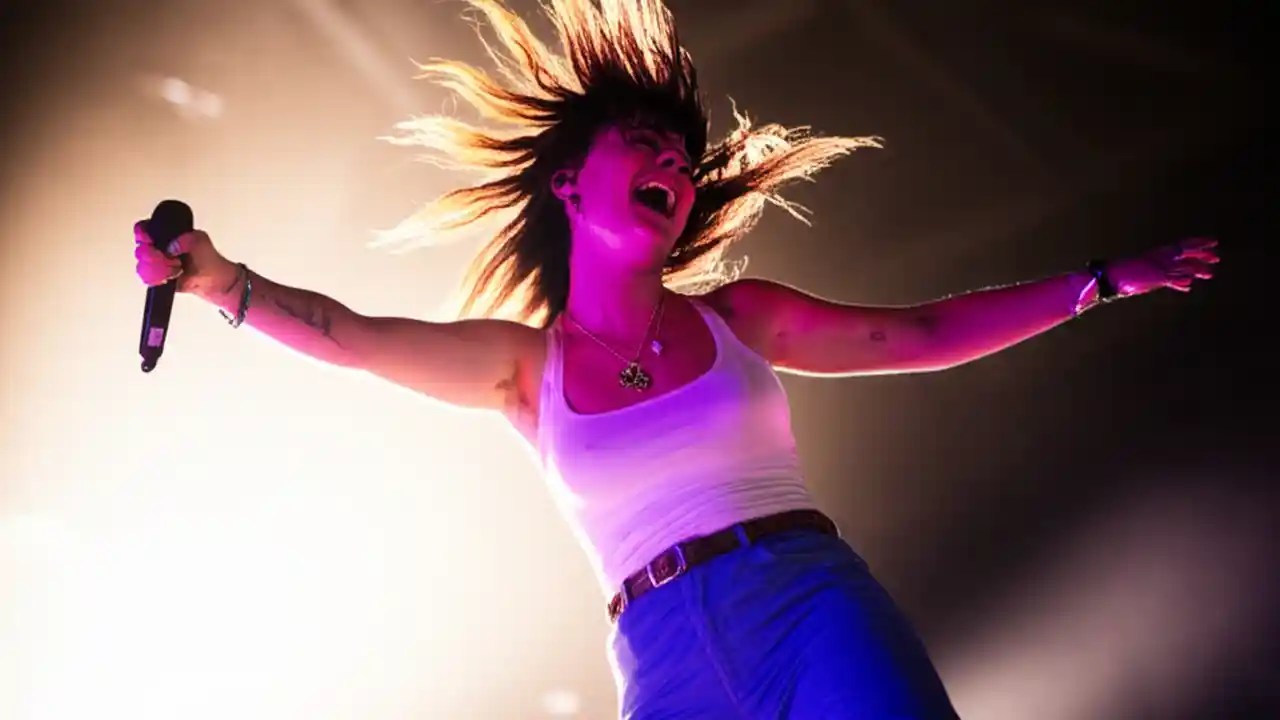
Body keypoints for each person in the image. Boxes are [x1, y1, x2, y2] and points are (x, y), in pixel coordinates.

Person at [132, 1, 1219, 717]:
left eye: (679, 156)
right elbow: (353, 337)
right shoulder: (524, 369)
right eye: (641, 144)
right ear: (568, 185)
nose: (671, 162)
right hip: (660, 656)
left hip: (806, 603)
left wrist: (1101, 279)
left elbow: (919, 334)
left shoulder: (738, 318)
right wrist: (222, 282)